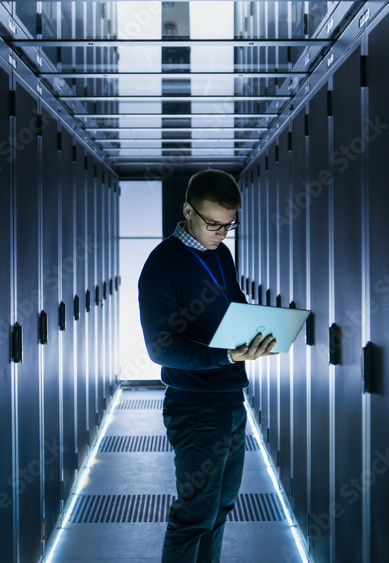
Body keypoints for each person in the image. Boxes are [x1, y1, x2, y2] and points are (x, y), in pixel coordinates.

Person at [137, 168, 277, 562]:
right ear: (187, 210)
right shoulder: (163, 265)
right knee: (194, 515)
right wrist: (227, 356)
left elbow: (234, 307)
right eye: (213, 223)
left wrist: (266, 327)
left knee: (219, 512)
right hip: (195, 407)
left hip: (231, 400)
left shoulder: (222, 255)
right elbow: (160, 349)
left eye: (229, 225)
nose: (220, 233)